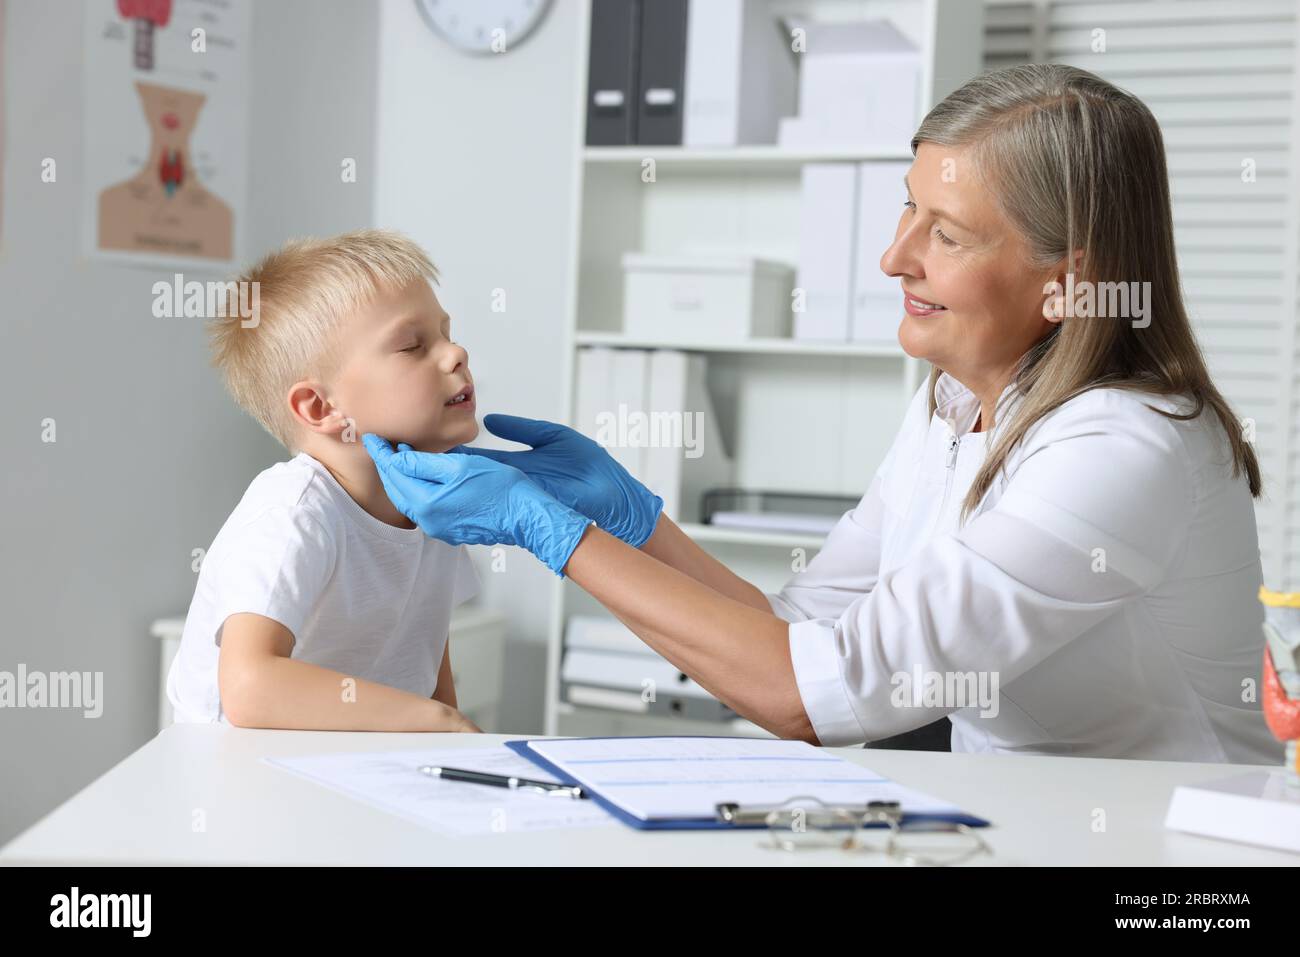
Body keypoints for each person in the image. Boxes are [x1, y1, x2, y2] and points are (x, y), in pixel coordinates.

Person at [364, 65, 1284, 763]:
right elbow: (803, 627)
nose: (893, 257)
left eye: (947, 235)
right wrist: (634, 523)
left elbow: (807, 694)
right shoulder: (952, 407)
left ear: (1069, 282)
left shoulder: (1126, 450)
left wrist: (555, 536)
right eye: (906, 211)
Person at [168, 230, 482, 732]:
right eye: (413, 345)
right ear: (321, 407)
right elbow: (249, 687)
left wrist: (449, 732)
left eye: (446, 333)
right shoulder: (295, 514)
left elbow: (423, 647)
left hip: (342, 766)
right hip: (234, 780)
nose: (455, 353)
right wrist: (435, 721)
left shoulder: (432, 499)